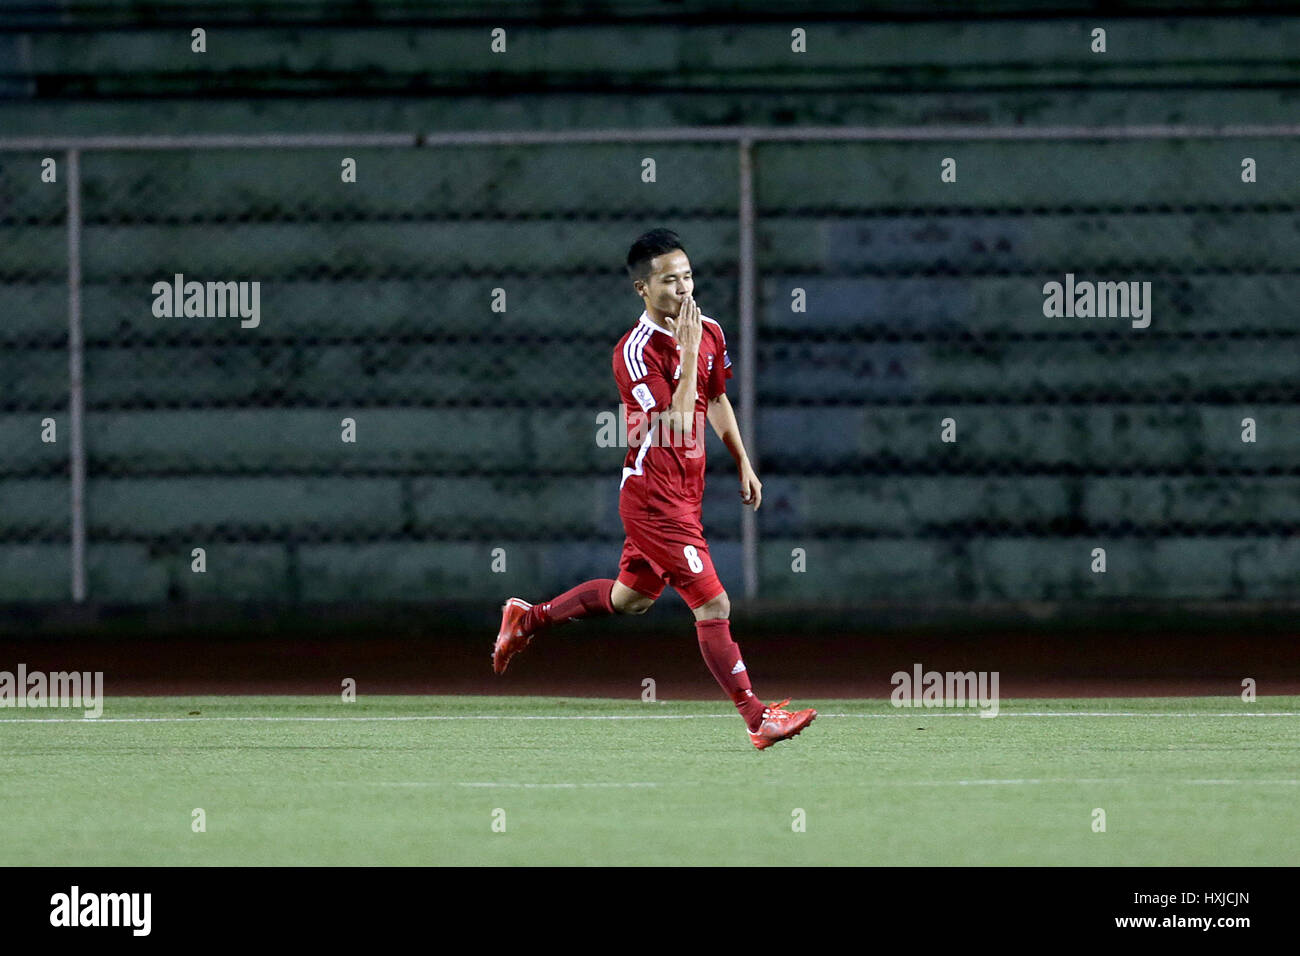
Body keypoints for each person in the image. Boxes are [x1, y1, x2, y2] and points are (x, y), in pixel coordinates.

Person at [492, 228, 816, 750]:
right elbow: (677, 424)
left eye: (688, 276)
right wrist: (686, 354)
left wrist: (743, 462)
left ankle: (526, 618)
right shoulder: (634, 352)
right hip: (654, 498)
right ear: (643, 289)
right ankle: (758, 718)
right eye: (670, 280)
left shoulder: (707, 330)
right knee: (713, 606)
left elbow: (714, 401)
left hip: (684, 492)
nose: (684, 289)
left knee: (630, 600)